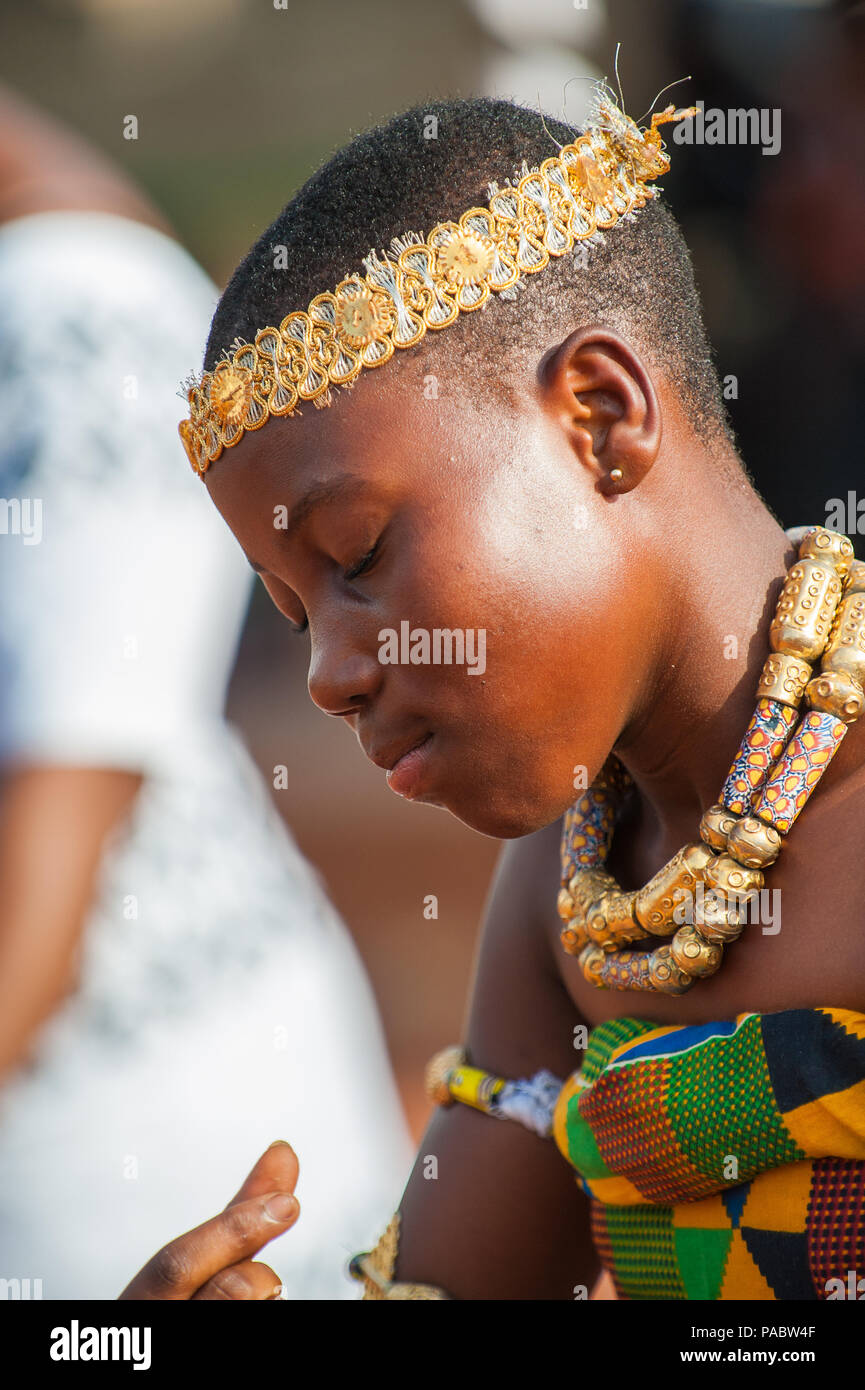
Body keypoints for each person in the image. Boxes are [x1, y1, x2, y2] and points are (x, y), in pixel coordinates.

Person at [121, 89, 865, 1301]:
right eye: (296, 612)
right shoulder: (574, 891)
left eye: (357, 553)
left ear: (599, 417)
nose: (328, 674)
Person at [0, 87, 411, 1300]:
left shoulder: (72, 316)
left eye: (362, 562)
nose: (337, 674)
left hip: (171, 1215)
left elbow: (38, 898)